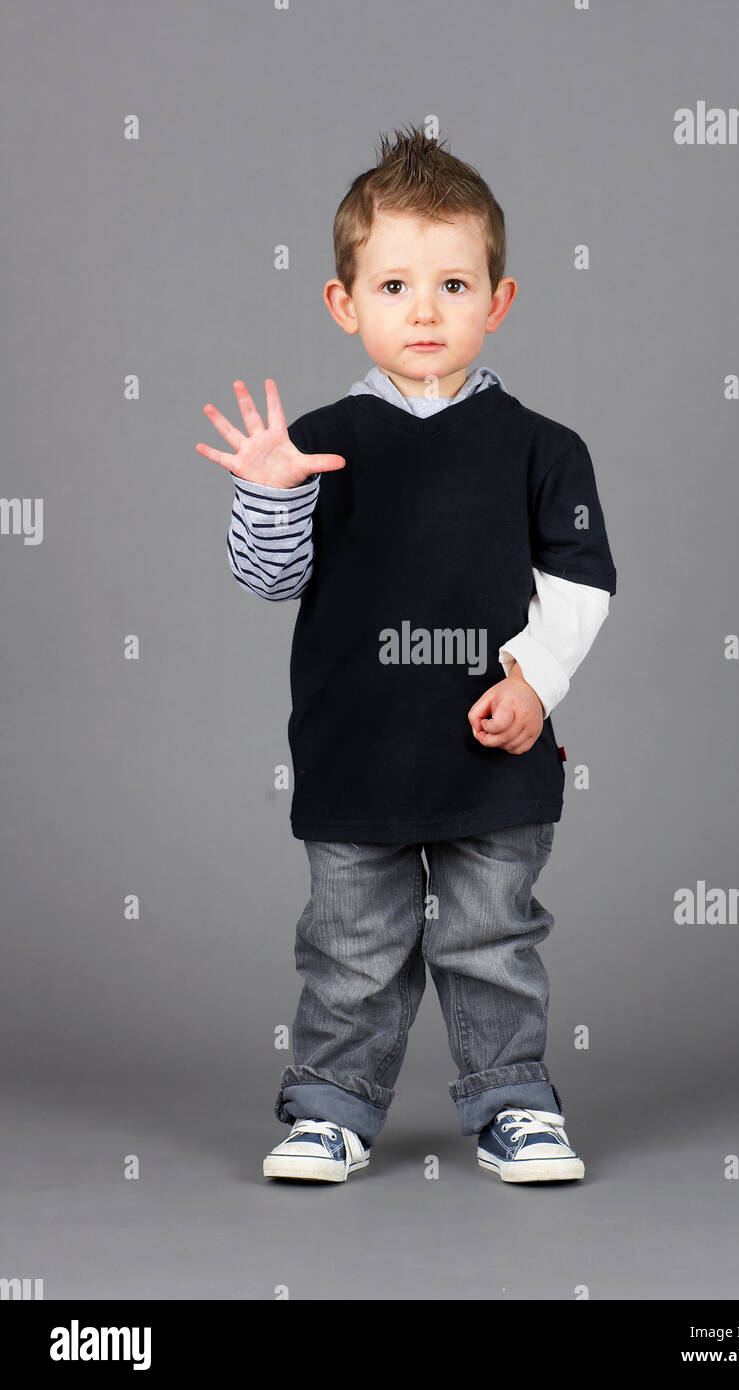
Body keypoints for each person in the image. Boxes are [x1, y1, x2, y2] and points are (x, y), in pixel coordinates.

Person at [196, 125, 617, 1184]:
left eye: (450, 282)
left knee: (492, 942)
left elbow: (578, 580)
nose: (423, 309)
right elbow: (266, 578)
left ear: (498, 298)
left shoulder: (539, 446)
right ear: (345, 304)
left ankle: (512, 1100)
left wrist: (533, 680)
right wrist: (268, 491)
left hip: (495, 758)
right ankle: (330, 1107)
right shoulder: (318, 442)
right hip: (355, 754)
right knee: (350, 950)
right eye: (392, 283)